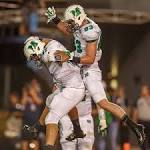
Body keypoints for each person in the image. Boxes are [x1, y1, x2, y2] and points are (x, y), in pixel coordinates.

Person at [45, 4, 146, 145]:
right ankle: (76, 128)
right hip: (77, 62)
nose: (69, 25)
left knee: (102, 103)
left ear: (79, 19)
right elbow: (67, 30)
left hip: (89, 68)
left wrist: (69, 57)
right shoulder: (79, 24)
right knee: (61, 84)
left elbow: (90, 58)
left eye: (71, 22)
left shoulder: (90, 30)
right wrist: (56, 19)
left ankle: (135, 126)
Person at [23, 36, 85, 150]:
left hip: (73, 87)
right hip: (68, 84)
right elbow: (47, 41)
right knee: (50, 99)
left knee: (51, 118)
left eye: (34, 56)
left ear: (37, 49)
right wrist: (38, 39)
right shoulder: (50, 44)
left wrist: (62, 57)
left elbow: (62, 56)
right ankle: (77, 130)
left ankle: (49, 147)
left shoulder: (48, 55)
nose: (35, 59)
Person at [133, 85, 150, 150]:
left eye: (144, 89)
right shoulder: (138, 100)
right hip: (141, 122)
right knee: (142, 139)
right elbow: (135, 111)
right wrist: (134, 122)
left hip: (149, 121)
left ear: (148, 90)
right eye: (142, 89)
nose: (142, 91)